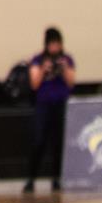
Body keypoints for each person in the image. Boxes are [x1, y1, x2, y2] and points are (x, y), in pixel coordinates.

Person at [23, 27, 75, 193]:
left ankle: (56, 178)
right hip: (43, 105)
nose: (54, 47)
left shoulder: (67, 59)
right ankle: (31, 178)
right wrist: (44, 70)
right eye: (52, 44)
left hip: (60, 104)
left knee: (58, 142)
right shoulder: (38, 60)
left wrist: (64, 68)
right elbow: (34, 84)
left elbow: (71, 82)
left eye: (57, 44)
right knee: (38, 141)